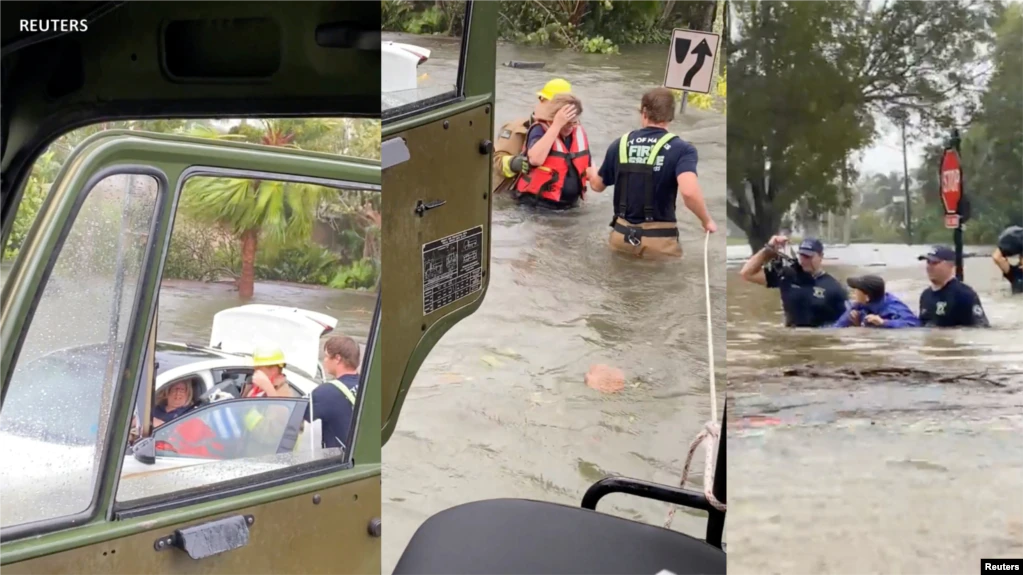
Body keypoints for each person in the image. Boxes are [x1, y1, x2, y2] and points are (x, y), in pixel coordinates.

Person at [585, 87, 716, 259]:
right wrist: (706, 221)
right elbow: (689, 192)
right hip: (660, 242)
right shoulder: (682, 149)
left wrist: (592, 172)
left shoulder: (619, 144)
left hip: (621, 236)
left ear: (644, 112)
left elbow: (597, 186)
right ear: (671, 116)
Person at [739, 236, 848, 327]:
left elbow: (845, 324)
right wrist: (768, 249)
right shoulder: (788, 276)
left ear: (821, 256)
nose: (804, 260)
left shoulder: (834, 288)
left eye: (809, 256)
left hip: (818, 338)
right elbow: (747, 273)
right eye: (802, 255)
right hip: (790, 336)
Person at [492, 78, 573, 195]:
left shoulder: (571, 133)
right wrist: (514, 163)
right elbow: (495, 161)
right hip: (514, 195)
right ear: (543, 100)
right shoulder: (516, 130)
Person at [514, 93, 590, 210]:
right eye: (567, 122)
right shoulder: (539, 130)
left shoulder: (577, 133)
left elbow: (588, 167)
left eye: (574, 122)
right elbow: (535, 159)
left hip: (571, 206)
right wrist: (557, 125)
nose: (570, 127)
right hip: (538, 206)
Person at [304, 335, 361, 450]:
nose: (324, 360)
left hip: (341, 459)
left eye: (326, 356)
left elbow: (292, 418)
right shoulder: (367, 384)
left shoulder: (326, 393)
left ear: (338, 358)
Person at [918, 245, 990, 327]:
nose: (929, 267)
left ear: (950, 265)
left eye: (934, 263)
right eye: (928, 262)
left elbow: (981, 327)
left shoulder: (964, 294)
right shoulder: (925, 295)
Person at [833, 275, 920, 328]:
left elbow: (914, 325)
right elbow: (836, 328)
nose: (854, 292)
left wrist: (884, 323)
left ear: (867, 297)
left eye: (857, 290)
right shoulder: (858, 306)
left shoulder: (894, 308)